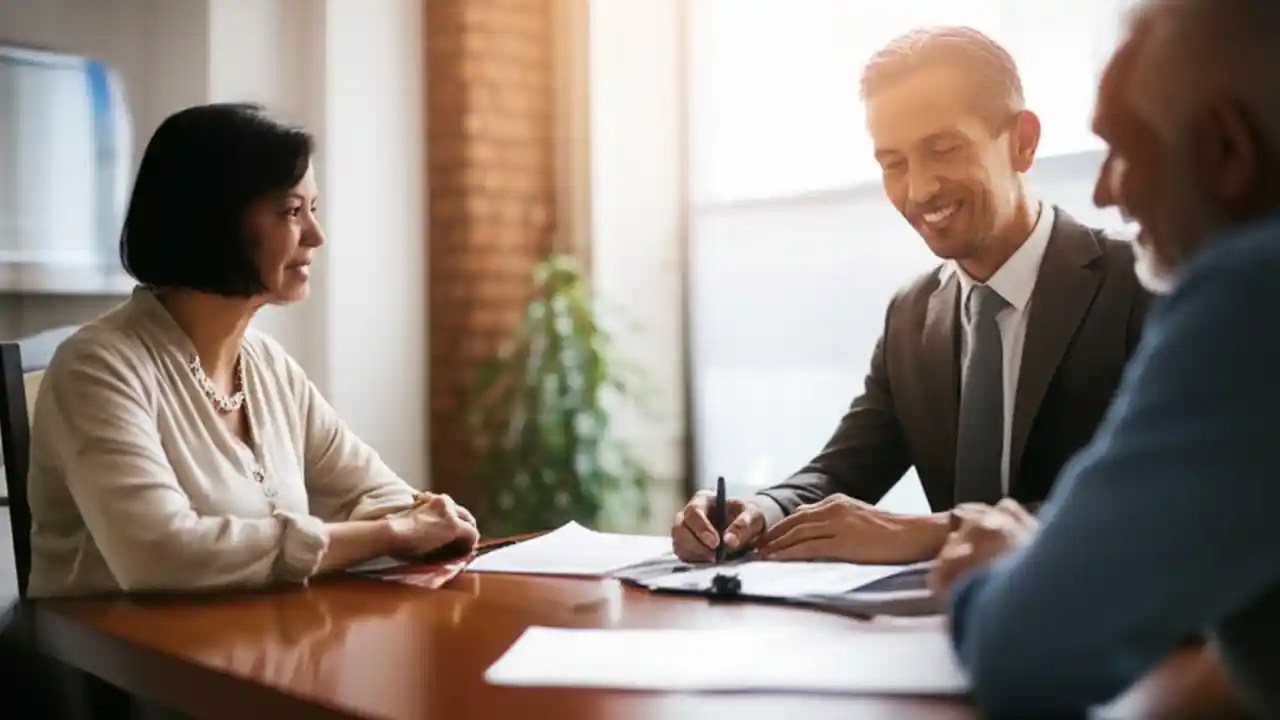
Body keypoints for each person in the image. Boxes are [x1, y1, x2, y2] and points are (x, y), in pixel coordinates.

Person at [672, 27, 1150, 564]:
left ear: (1022, 142)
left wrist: (930, 532)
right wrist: (760, 510)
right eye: (893, 164)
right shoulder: (912, 314)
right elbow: (844, 467)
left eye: (943, 150)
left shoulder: (1141, 285)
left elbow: (1154, 498)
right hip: (946, 613)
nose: (919, 190)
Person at [929, 1, 1280, 715]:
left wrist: (1009, 569)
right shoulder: (917, 309)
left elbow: (1025, 652)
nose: (1102, 190)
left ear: (1227, 149)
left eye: (1122, 148)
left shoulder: (1251, 295)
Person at [26, 103, 478, 597]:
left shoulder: (268, 367)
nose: (316, 236)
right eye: (291, 211)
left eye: (313, 209)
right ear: (213, 219)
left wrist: (425, 519)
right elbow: (162, 555)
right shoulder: (97, 368)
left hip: (254, 634)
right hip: (114, 645)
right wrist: (391, 533)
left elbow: (376, 493)